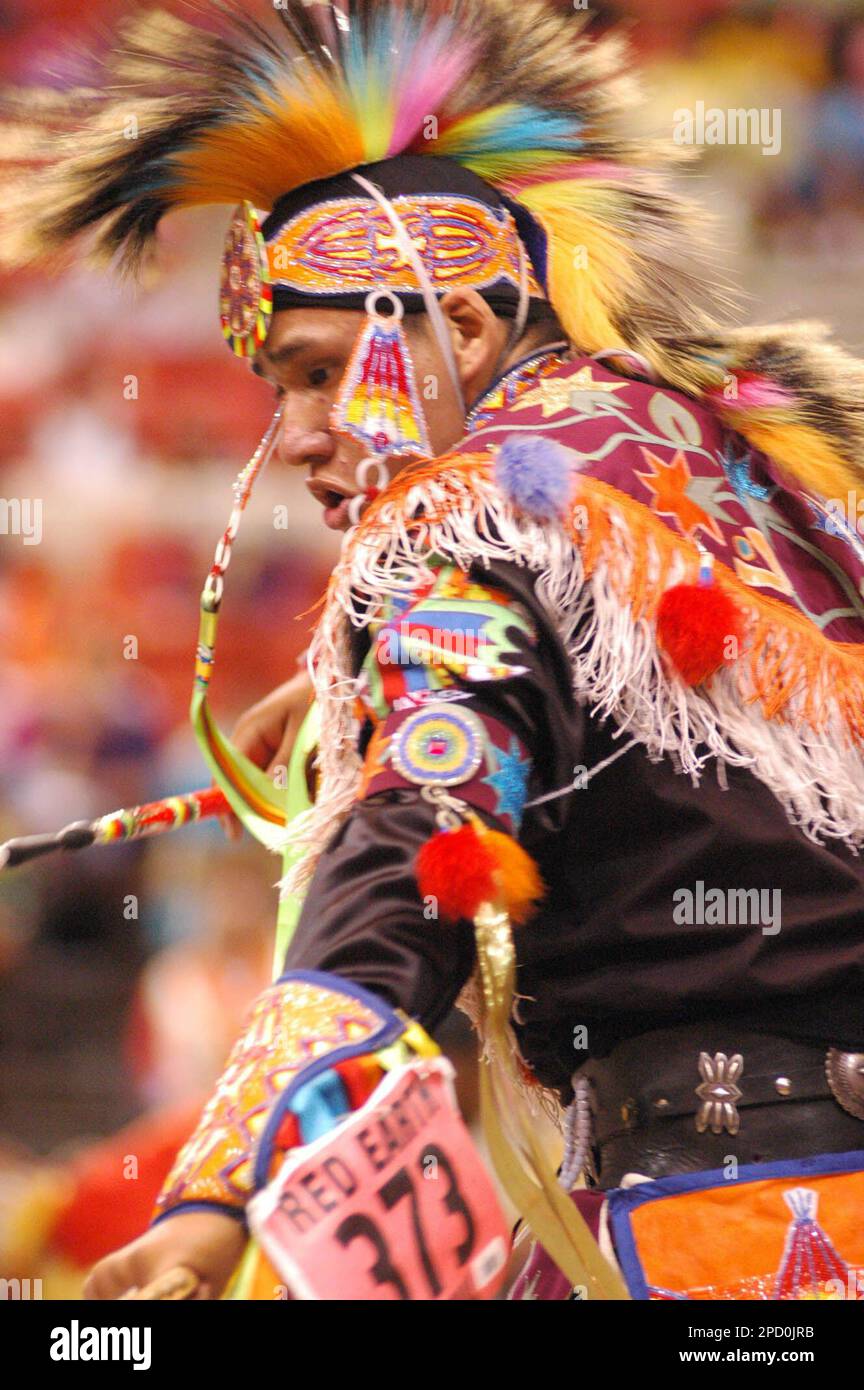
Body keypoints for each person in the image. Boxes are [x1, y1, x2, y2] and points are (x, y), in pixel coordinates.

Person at [7, 0, 864, 1302]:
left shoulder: (460, 520)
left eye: (310, 372)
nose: (288, 437)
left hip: (725, 1226)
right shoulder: (730, 461)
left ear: (456, 331)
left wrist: (220, 1189)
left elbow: (414, 847)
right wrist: (375, 682)